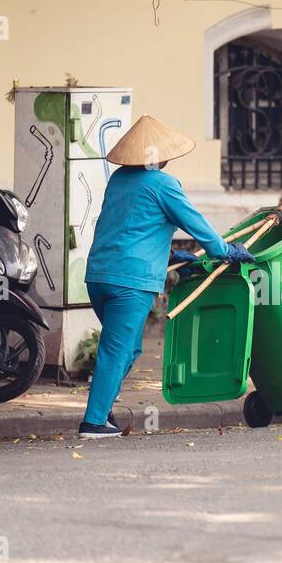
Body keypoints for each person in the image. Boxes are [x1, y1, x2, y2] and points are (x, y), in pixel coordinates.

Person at [78, 114, 254, 440]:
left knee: (129, 349)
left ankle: (102, 411)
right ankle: (92, 422)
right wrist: (225, 250)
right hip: (131, 283)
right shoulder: (163, 184)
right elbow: (196, 224)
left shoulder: (118, 179)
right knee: (115, 351)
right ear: (160, 155)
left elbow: (129, 227)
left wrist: (170, 256)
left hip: (100, 276)